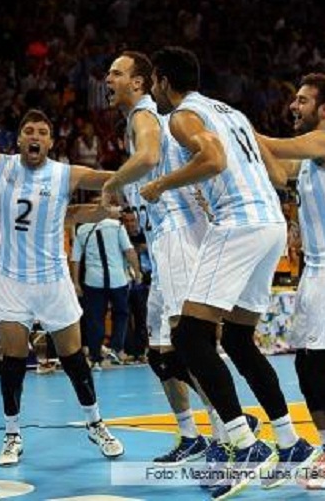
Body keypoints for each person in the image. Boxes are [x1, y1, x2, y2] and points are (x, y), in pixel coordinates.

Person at [139, 46, 314, 499]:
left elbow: (213, 161)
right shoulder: (231, 111)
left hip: (239, 224)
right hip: (271, 223)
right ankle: (289, 443)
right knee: (236, 339)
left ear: (160, 80)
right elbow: (277, 175)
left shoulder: (182, 116)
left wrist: (160, 184)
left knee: (189, 337)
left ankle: (243, 444)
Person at [0, 109, 124, 467]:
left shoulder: (64, 173)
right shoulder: (4, 165)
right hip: (12, 280)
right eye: (29, 130)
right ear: (19, 139)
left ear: (51, 142)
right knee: (13, 360)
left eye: (43, 132)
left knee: (73, 358)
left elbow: (103, 182)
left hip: (53, 280)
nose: (35, 136)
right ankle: (12, 433)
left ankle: (95, 423)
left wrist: (143, 175)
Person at [100, 51, 213, 464]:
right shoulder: (144, 119)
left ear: (140, 83)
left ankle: (227, 432)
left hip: (178, 238)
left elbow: (147, 158)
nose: (107, 79)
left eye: (116, 73)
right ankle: (191, 436)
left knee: (191, 345)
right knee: (161, 354)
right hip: (163, 240)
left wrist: (113, 182)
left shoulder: (144, 116)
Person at [256, 73, 325, 488]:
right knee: (304, 364)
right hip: (315, 268)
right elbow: (278, 172)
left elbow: (277, 147)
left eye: (301, 101)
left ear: (323, 110)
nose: (293, 107)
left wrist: (239, 130)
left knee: (321, 362)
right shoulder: (308, 159)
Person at [71, 208, 140, 367]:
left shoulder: (82, 229)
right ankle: (117, 349)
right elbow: (129, 251)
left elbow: (75, 259)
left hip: (93, 281)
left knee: (94, 318)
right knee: (121, 314)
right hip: (117, 279)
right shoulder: (116, 226)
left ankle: (95, 355)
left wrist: (76, 282)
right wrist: (137, 271)